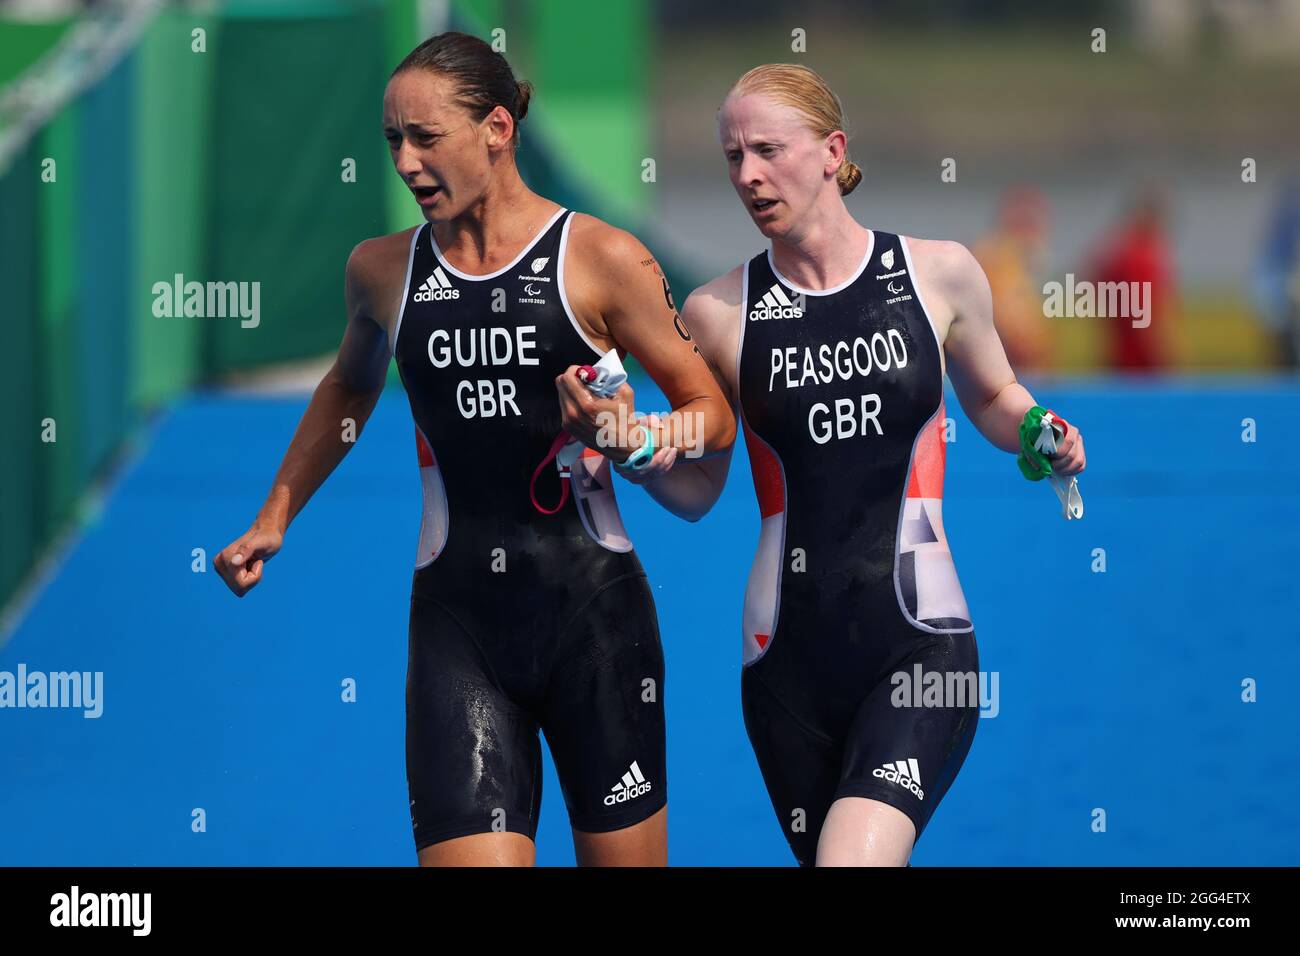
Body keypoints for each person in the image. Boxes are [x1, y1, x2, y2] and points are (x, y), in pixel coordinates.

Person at [214, 31, 735, 867]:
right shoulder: (380, 273)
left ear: (496, 128)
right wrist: (276, 514)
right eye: (393, 141)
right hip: (458, 627)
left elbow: (711, 413)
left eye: (426, 138)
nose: (407, 162)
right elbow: (349, 389)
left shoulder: (600, 259)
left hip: (595, 620)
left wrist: (634, 437)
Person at [601, 63, 1086, 866]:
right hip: (783, 664)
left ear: (832, 152)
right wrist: (633, 452)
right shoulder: (717, 313)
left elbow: (995, 396)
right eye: (731, 157)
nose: (748, 176)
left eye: (767, 150)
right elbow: (698, 490)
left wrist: (1042, 433)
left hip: (923, 643)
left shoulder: (937, 275)